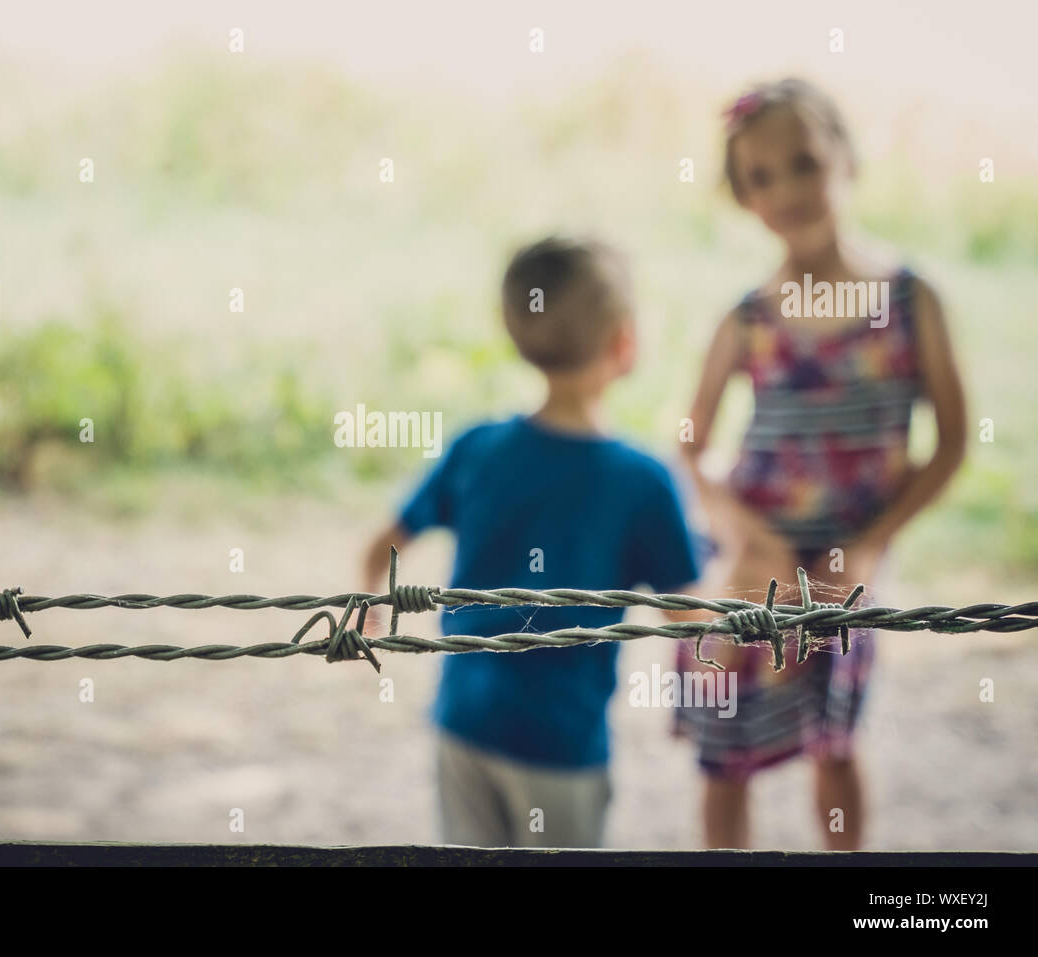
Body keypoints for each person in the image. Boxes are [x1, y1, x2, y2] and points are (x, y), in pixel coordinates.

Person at [673, 78, 968, 849]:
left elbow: (953, 443)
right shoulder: (747, 315)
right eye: (760, 177)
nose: (786, 190)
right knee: (723, 750)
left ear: (845, 157)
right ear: (743, 197)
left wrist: (872, 543)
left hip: (850, 558)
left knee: (833, 743)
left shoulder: (911, 300)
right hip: (751, 553)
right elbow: (689, 444)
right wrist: (746, 537)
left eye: (802, 162)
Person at [361, 235, 701, 848]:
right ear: (624, 343)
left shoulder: (477, 447)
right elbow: (691, 615)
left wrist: (373, 605)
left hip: (462, 722)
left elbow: (381, 547)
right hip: (561, 744)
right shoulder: (645, 481)